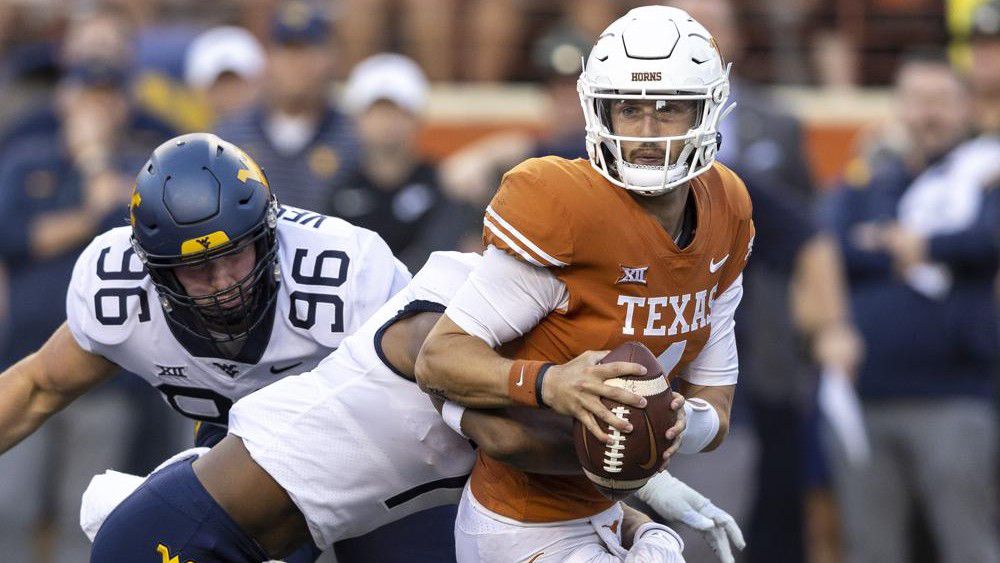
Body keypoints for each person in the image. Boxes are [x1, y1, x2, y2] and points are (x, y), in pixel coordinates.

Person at [87, 249, 743, 563]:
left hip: (278, 543)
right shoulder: (442, 323)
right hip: (190, 528)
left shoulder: (519, 349)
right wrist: (644, 476)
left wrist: (634, 513)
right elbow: (506, 438)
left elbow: (542, 467)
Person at [415, 6, 754, 562]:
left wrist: (673, 427)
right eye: (629, 109)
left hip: (607, 513)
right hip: (518, 520)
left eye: (669, 110)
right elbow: (439, 359)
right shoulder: (567, 209)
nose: (647, 133)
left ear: (707, 109)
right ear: (601, 112)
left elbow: (715, 403)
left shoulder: (726, 208)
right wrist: (551, 384)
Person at [0, 132, 409, 561]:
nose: (223, 283)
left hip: (369, 447)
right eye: (195, 267)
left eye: (234, 253)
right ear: (155, 267)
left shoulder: (344, 272)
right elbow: (37, 388)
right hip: (234, 455)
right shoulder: (120, 293)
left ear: (267, 232)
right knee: (137, 544)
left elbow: (424, 385)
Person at [823, 49, 1000, 563]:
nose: (930, 114)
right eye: (919, 100)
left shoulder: (984, 173)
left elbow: (987, 241)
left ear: (966, 108)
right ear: (899, 107)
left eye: (943, 101)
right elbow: (834, 246)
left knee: (968, 542)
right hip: (864, 400)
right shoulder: (869, 182)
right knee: (871, 548)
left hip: (955, 396)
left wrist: (922, 246)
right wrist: (913, 246)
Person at [0, 57, 176, 562]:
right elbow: (14, 236)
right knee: (10, 505)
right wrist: (83, 215)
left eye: (107, 96)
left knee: (90, 511)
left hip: (108, 367)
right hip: (24, 354)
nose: (96, 108)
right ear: (65, 100)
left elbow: (128, 224)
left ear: (124, 104)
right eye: (87, 95)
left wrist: (96, 160)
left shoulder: (147, 165)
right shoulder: (26, 156)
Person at [214, 0, 361, 214]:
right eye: (287, 51)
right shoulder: (230, 137)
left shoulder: (352, 136)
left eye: (307, 51)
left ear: (330, 58)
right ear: (268, 59)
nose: (297, 64)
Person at [334, 53, 473, 272]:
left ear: (417, 118)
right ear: (356, 120)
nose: (387, 122)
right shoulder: (339, 188)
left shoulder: (444, 185)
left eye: (398, 112)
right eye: (377, 112)